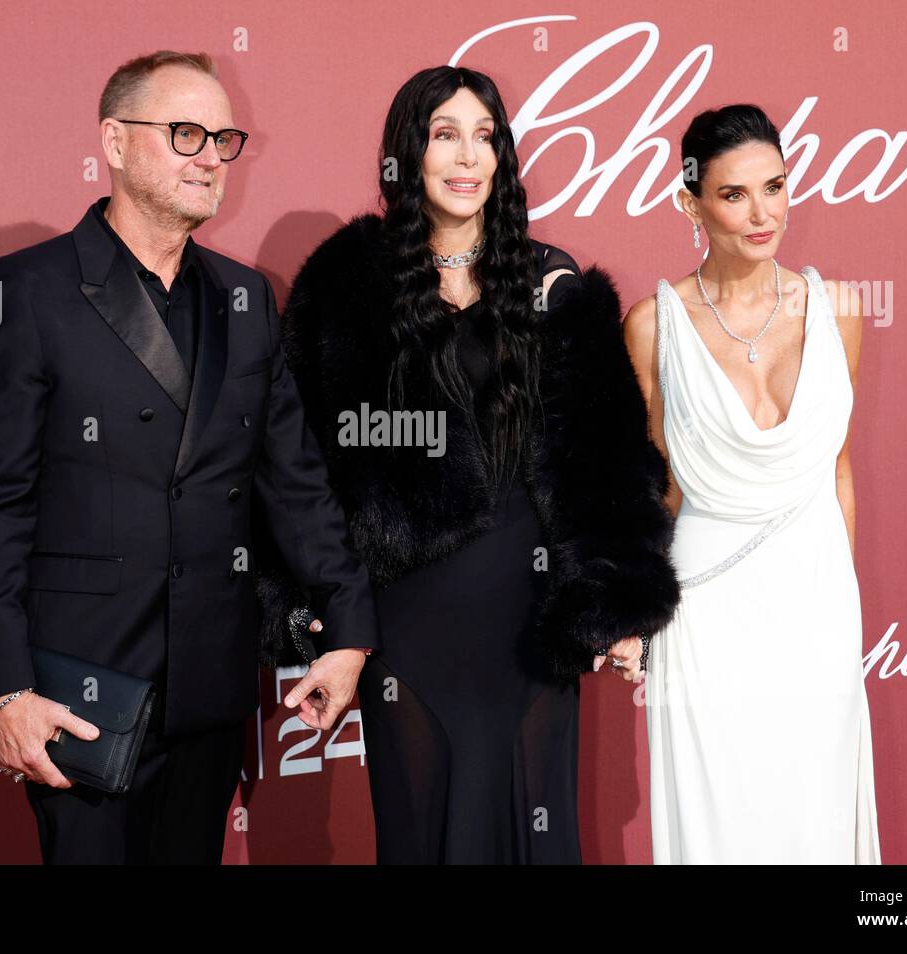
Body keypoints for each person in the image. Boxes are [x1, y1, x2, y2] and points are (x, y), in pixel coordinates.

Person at [0, 50, 378, 864]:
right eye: (185, 133)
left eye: (224, 138)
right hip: (78, 692)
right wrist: (3, 692)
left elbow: (294, 482)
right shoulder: (27, 292)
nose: (211, 156)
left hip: (209, 687)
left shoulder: (246, 298)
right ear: (114, 141)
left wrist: (348, 628)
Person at [254, 66, 680, 864]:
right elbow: (306, 463)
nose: (467, 156)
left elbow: (608, 464)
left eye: (484, 137)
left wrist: (614, 594)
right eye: (444, 134)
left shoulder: (553, 285)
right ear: (407, 153)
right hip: (407, 615)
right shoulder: (348, 284)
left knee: (534, 828)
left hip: (527, 612)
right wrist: (319, 614)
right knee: (424, 834)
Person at [622, 103, 881, 863]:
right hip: (704, 610)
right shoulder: (651, 325)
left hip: (817, 606)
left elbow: (838, 467)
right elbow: (659, 485)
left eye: (775, 186)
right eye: (734, 195)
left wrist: (842, 602)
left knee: (817, 817)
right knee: (721, 822)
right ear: (691, 203)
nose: (762, 213)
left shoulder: (839, 308)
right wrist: (636, 602)